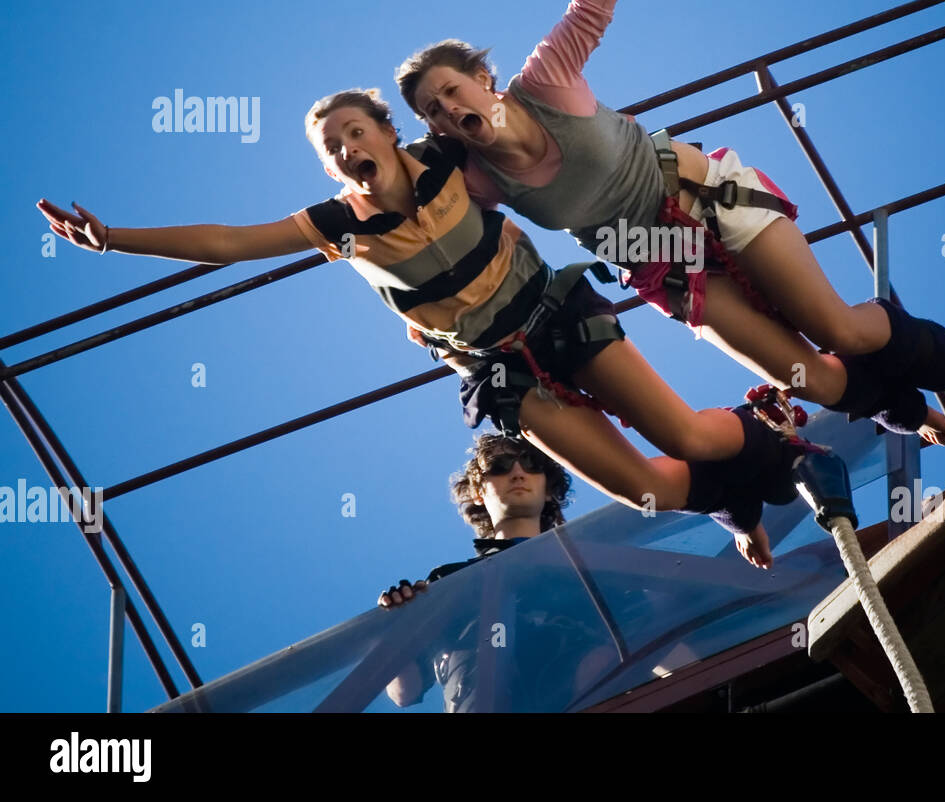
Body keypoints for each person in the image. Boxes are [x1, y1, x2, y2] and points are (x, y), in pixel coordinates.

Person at [395, 0, 945, 450]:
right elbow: (402, 206)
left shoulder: (545, 81)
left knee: (840, 332)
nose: (445, 111)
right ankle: (902, 411)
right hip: (659, 259)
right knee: (810, 380)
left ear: (483, 79)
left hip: (703, 197)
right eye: (431, 110)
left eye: (450, 91)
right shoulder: (476, 176)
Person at [36, 87, 805, 566]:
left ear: (384, 131)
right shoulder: (341, 224)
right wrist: (116, 240)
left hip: (557, 313)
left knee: (693, 439)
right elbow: (227, 242)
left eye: (354, 131)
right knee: (642, 488)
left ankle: (774, 439)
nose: (345, 149)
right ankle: (732, 502)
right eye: (331, 149)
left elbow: (526, 118)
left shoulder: (447, 157)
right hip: (499, 370)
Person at [377, 434, 607, 711]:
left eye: (532, 463)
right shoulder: (448, 579)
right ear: (478, 491)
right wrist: (394, 621)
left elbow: (657, 634)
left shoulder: (596, 566)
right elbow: (404, 692)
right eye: (500, 465)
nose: (518, 472)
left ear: (548, 489)